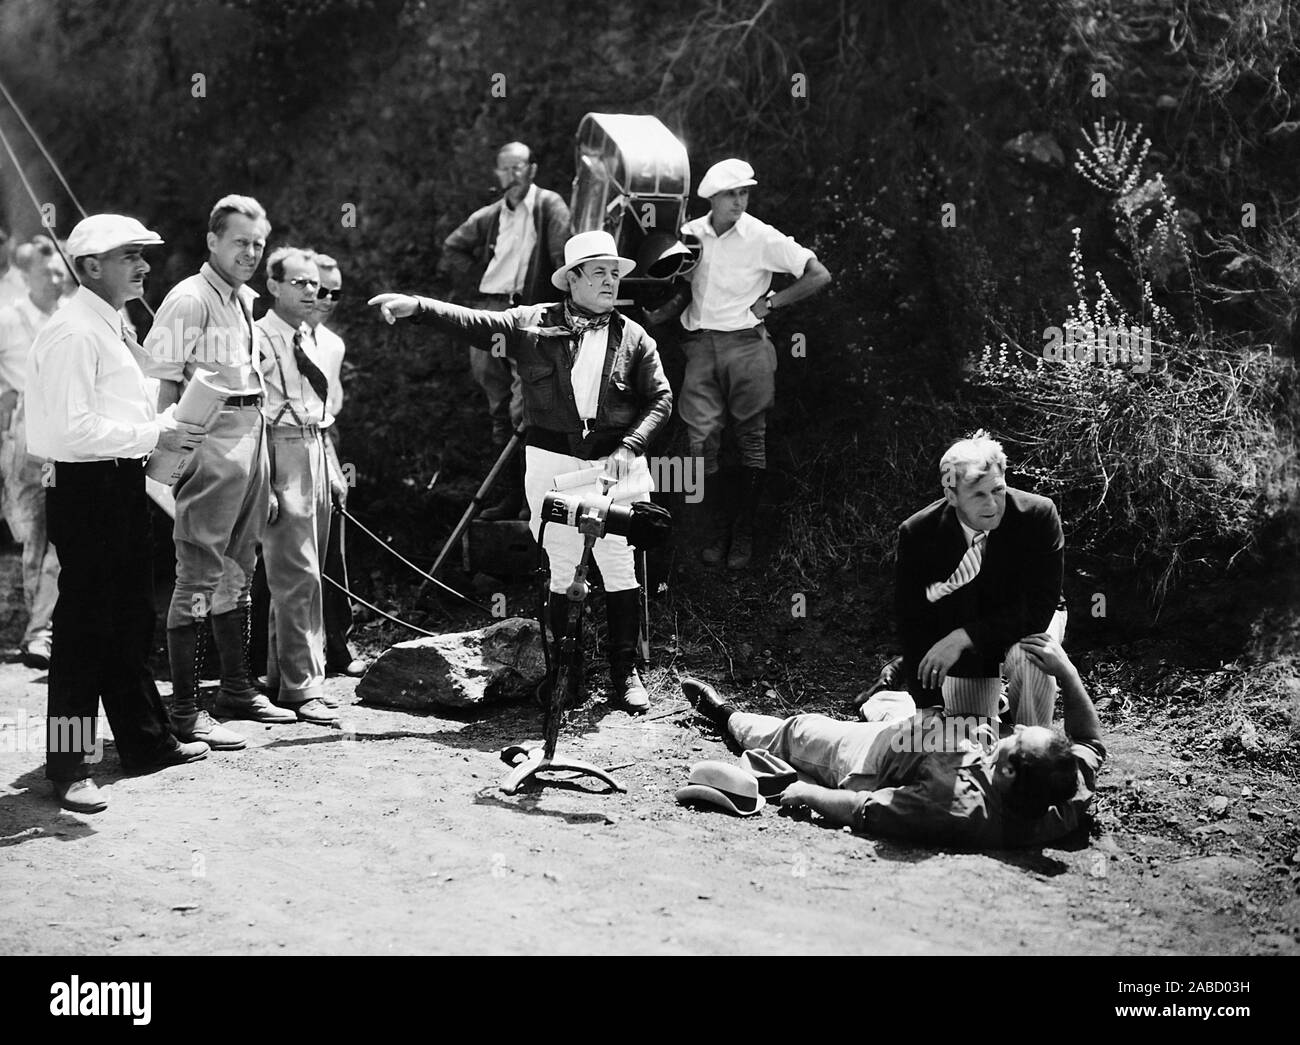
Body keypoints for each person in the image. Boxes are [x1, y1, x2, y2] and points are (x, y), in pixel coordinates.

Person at [370, 230, 672, 712]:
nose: (610, 282)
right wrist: (418, 307)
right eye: (599, 273)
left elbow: (661, 398)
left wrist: (630, 446)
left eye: (615, 273)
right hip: (550, 463)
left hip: (613, 466)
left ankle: (624, 672)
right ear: (571, 279)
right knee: (559, 564)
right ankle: (564, 673)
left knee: (618, 566)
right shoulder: (530, 325)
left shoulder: (634, 336)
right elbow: (473, 322)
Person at [25, 214, 210, 812]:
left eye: (143, 254)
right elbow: (70, 430)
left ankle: (145, 741)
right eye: (128, 255)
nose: (143, 265)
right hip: (87, 492)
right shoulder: (75, 332)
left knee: (130, 618)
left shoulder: (109, 322)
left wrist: (153, 436)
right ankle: (68, 763)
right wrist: (153, 430)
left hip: (121, 485)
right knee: (81, 634)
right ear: (88, 268)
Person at [681, 631, 1105, 848]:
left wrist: (805, 793)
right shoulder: (1062, 789)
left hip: (874, 759)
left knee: (798, 730)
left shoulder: (951, 807)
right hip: (934, 729)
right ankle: (877, 698)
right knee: (895, 702)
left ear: (1007, 769)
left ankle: (727, 716)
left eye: (1011, 743)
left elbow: (864, 810)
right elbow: (1090, 742)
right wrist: (1065, 668)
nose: (1012, 735)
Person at [143, 195, 282, 750]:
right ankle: (183, 709)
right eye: (239, 242)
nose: (249, 252)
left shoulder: (244, 299)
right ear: (212, 242)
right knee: (197, 572)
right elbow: (162, 381)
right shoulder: (189, 299)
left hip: (254, 433)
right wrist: (173, 459)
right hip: (210, 436)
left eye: (257, 243)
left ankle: (237, 690)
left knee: (240, 569)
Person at [671, 158, 831, 570]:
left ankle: (744, 534)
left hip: (746, 345)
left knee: (750, 439)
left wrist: (773, 303)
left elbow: (818, 274)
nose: (739, 202)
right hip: (702, 346)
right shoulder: (689, 234)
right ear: (712, 197)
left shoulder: (760, 236)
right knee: (700, 441)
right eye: (731, 194)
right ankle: (714, 531)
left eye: (744, 193)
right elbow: (680, 282)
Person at [896, 431, 1067, 726]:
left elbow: (1039, 608)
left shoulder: (1038, 515)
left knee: (1031, 659)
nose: (992, 504)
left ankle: (1034, 752)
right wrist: (928, 707)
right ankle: (1000, 708)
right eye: (978, 495)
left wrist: (965, 636)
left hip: (1026, 622)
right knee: (966, 730)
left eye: (998, 490)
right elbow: (912, 622)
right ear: (951, 495)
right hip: (962, 634)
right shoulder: (917, 533)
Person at [439, 140, 571, 520]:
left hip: (528, 316)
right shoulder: (490, 216)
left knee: (525, 407)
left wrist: (557, 312)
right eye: (505, 168)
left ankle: (537, 504)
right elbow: (452, 248)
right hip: (489, 312)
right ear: (497, 173)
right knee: (498, 407)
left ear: (532, 169)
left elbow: (563, 259)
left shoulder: (549, 206)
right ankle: (511, 498)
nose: (512, 175)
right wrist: (477, 285)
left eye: (519, 168)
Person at [254, 247, 341, 724]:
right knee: (294, 572)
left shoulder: (313, 338)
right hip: (278, 449)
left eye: (315, 284)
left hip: (313, 444)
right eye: (300, 283)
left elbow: (321, 413)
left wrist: (327, 464)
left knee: (313, 571)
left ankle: (291, 676)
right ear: (274, 285)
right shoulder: (260, 338)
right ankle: (300, 687)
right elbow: (251, 417)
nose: (312, 291)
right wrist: (264, 480)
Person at [0, 237, 67, 667]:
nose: (58, 280)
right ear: (25, 276)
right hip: (24, 438)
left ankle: (42, 631)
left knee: (62, 535)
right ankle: (37, 628)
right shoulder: (8, 319)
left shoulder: (70, 319)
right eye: (48, 273)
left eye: (62, 271)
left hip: (67, 435)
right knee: (32, 537)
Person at [305, 253, 366, 677]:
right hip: (286, 440)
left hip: (328, 436)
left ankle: (338, 646)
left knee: (333, 548)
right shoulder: (270, 336)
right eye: (319, 290)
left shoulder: (332, 343)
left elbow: (333, 406)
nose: (326, 299)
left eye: (335, 293)